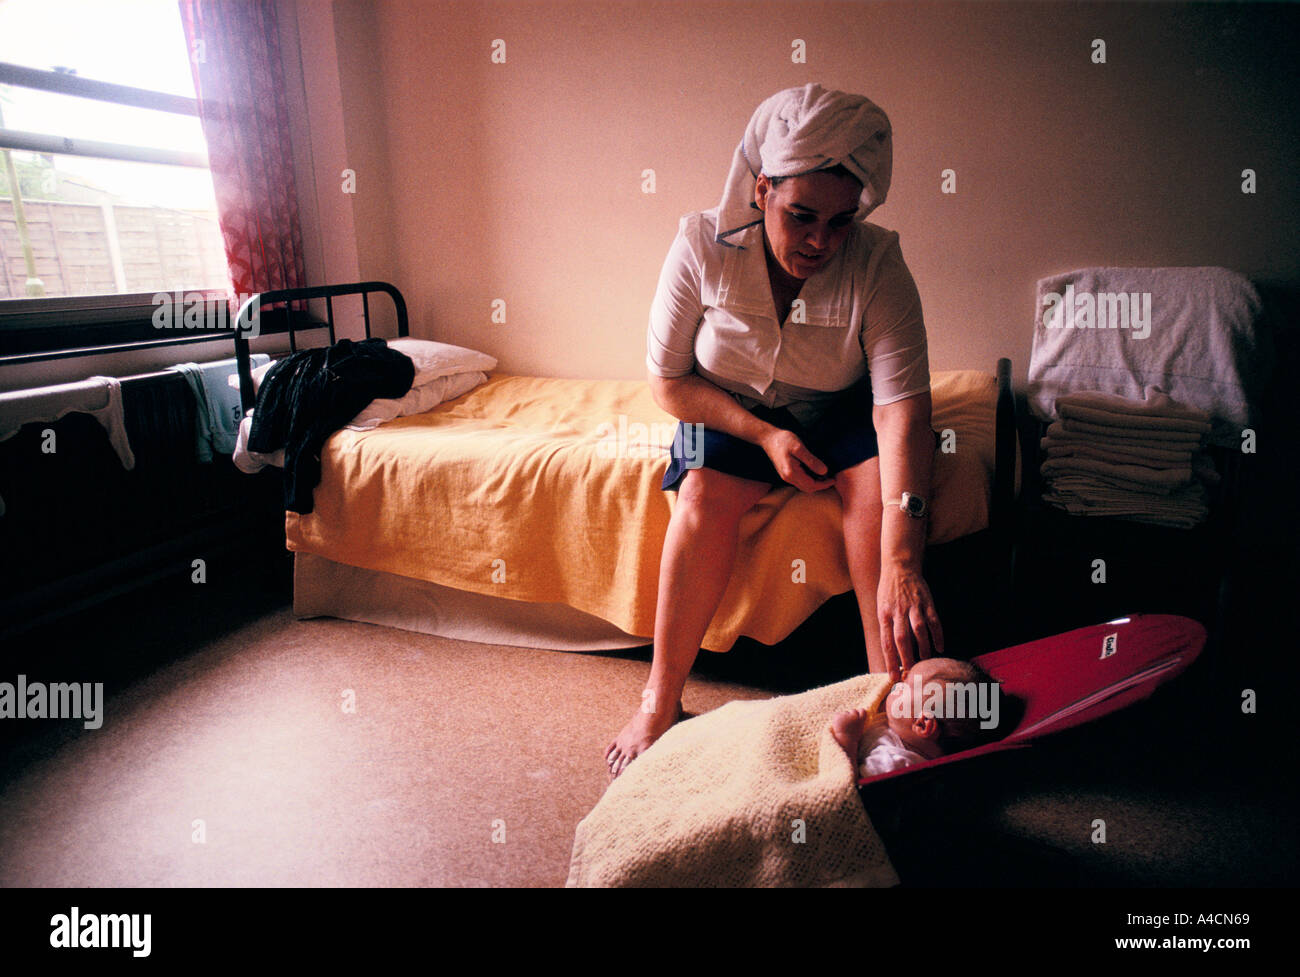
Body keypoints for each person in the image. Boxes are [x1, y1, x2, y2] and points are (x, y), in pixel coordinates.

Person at [607, 84, 943, 778]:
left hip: (839, 407)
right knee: (703, 497)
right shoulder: (700, 245)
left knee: (879, 497)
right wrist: (762, 436)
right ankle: (661, 697)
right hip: (730, 407)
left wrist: (904, 559)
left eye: (842, 221)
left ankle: (889, 705)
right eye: (802, 216)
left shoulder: (878, 263)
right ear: (761, 190)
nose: (822, 240)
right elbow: (668, 383)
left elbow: (902, 408)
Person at [829, 658, 1005, 778]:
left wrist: (847, 739)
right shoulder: (900, 728)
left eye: (906, 685)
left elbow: (847, 789)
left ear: (922, 724)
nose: (900, 677)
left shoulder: (894, 763)